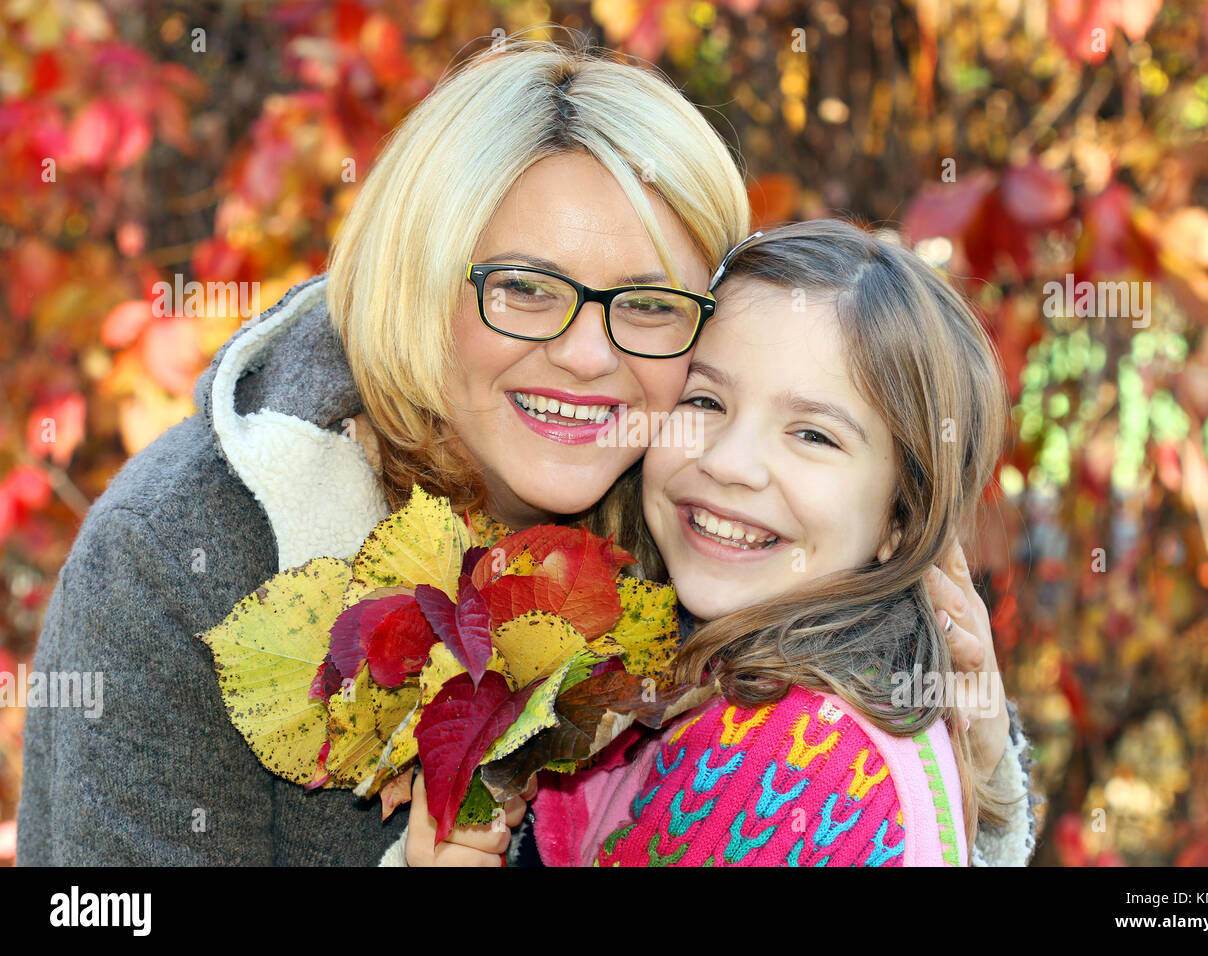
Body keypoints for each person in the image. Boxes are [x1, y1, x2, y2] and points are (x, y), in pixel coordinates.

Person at [18, 39, 1031, 866]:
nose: (588, 356)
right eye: (526, 289)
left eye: (645, 304)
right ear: (422, 279)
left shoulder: (691, 527)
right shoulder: (181, 558)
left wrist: (977, 790)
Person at [521, 220, 1037, 865]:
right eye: (704, 400)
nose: (731, 462)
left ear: (898, 520)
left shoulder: (791, 765)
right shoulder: (711, 676)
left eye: (814, 435)